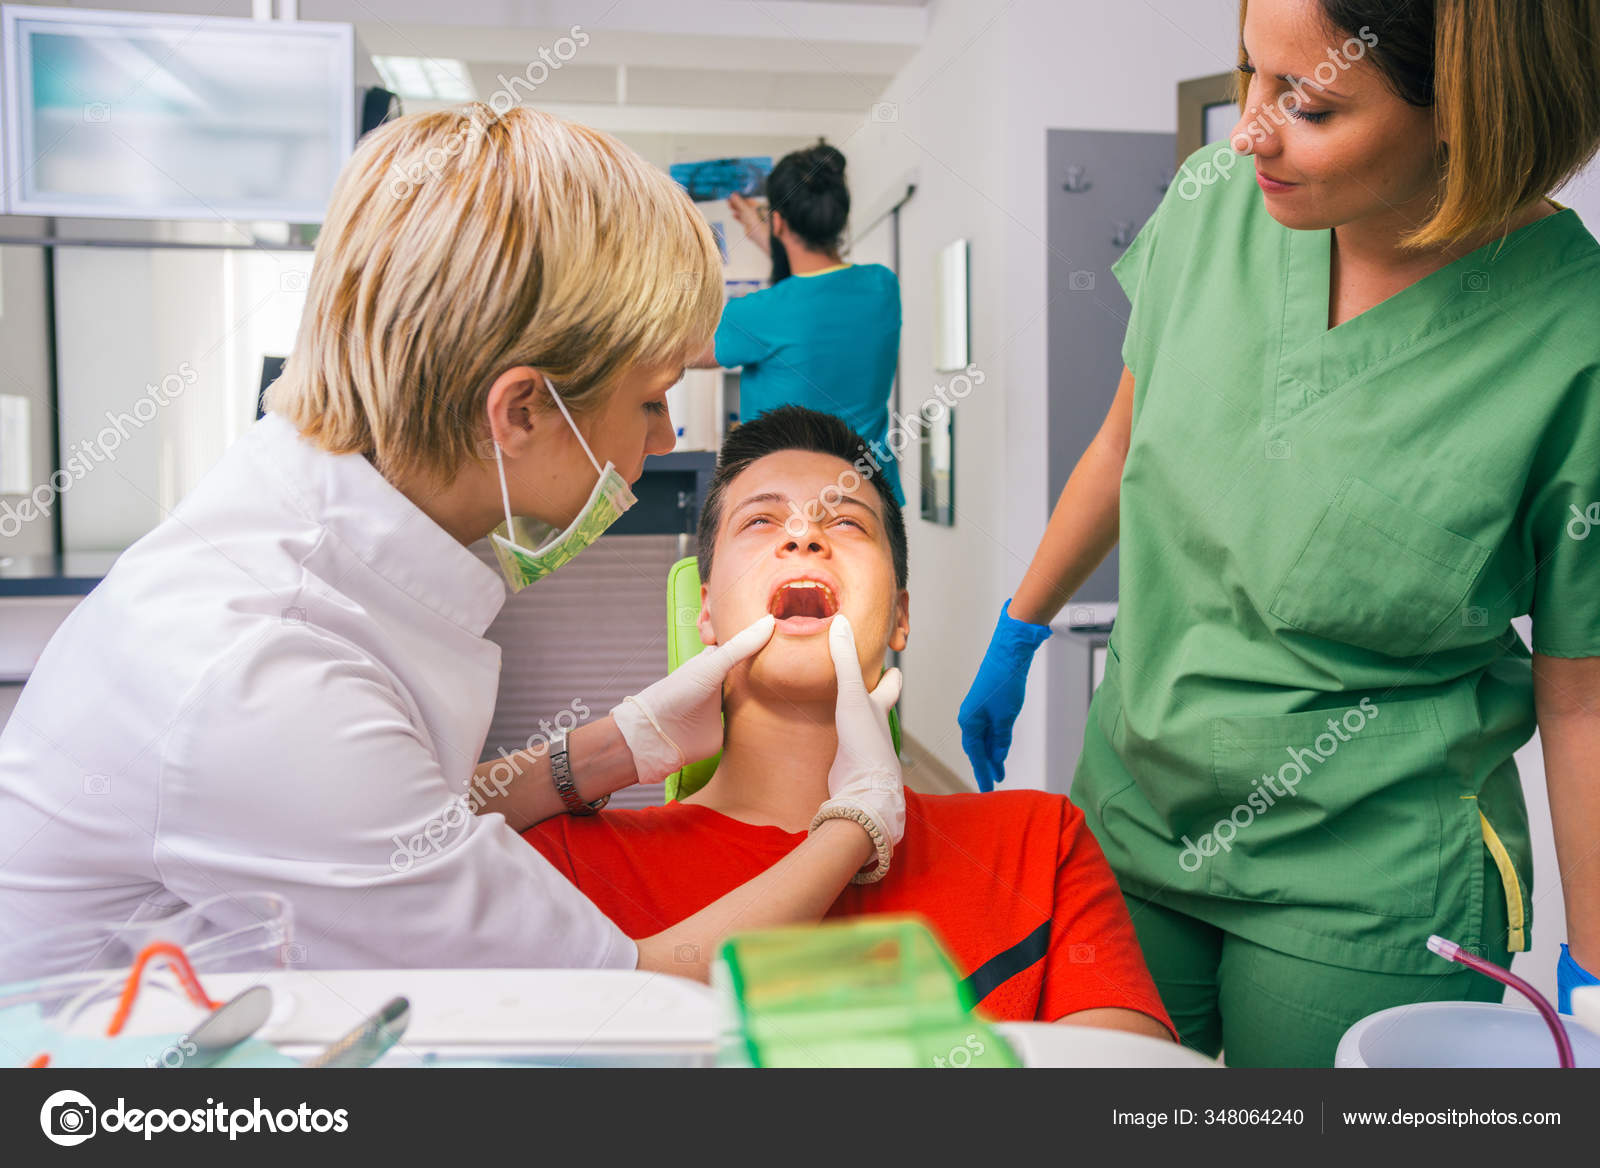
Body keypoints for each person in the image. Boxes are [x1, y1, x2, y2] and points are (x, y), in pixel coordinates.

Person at [0, 106, 904, 983]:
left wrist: (613, 748)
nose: (665, 439)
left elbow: (402, 820)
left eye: (846, 520)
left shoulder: (313, 537)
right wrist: (855, 824)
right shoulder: (262, 677)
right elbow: (615, 1009)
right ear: (522, 410)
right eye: (648, 400)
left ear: (905, 612)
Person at [958, 0, 1600, 1065]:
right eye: (1249, 73)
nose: (1250, 131)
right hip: (1134, 803)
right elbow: (1123, 441)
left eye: (1308, 103)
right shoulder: (1213, 202)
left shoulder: (1573, 337)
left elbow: (1581, 693)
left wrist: (1593, 961)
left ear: (1468, 109)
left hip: (1372, 874)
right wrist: (1019, 627)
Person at [525, 407, 1175, 1040]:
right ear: (706, 614)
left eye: (846, 522)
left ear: (899, 616)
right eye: (761, 520)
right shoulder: (566, 862)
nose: (803, 537)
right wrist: (605, 751)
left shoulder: (1038, 845)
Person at [692, 144, 905, 504]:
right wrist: (768, 231)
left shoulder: (758, 313)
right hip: (869, 499)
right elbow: (816, 286)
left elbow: (685, 352)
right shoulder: (882, 287)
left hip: (789, 502)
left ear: (778, 221)